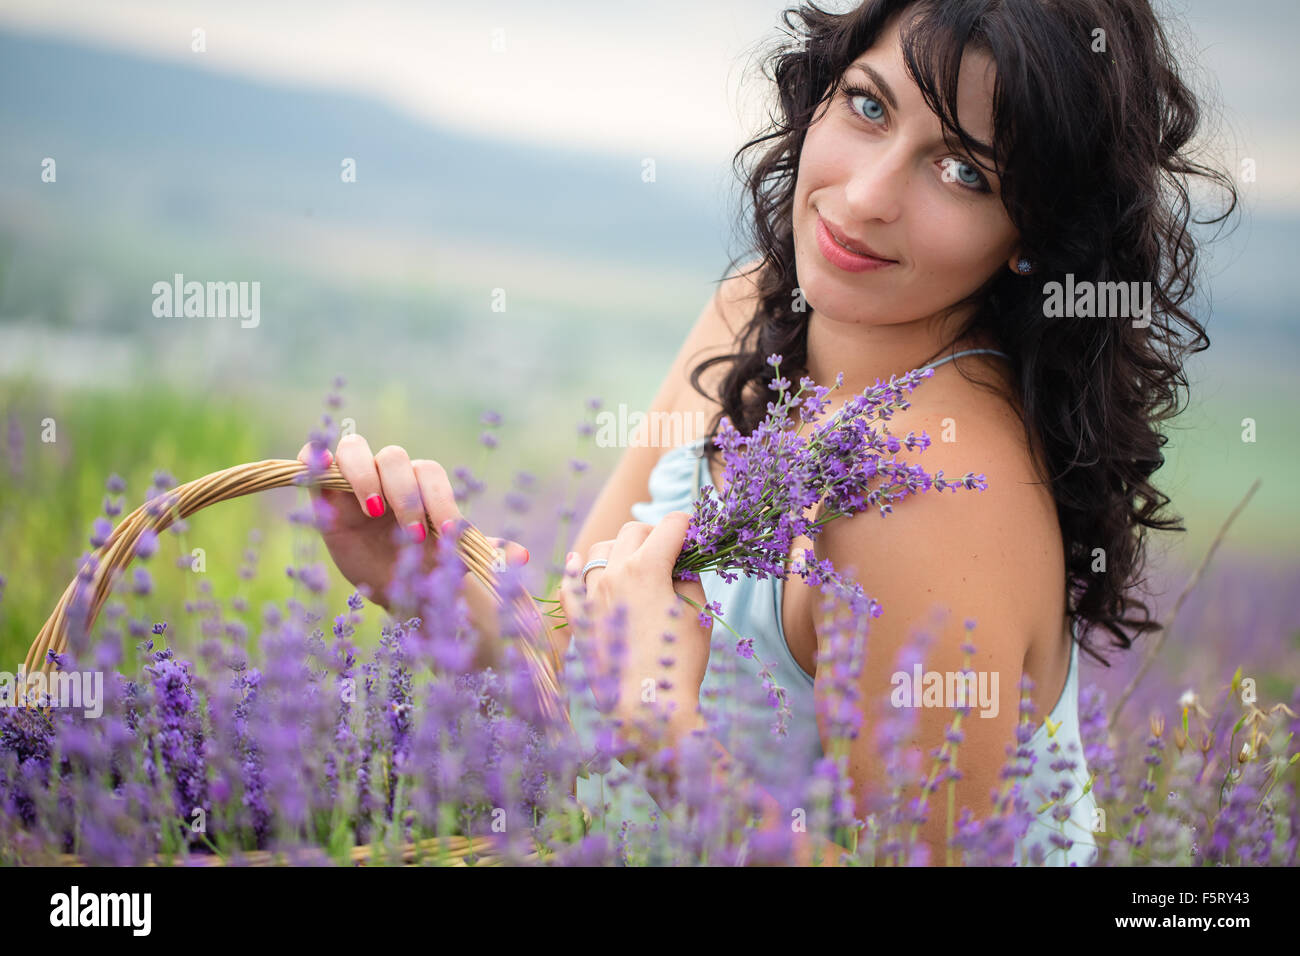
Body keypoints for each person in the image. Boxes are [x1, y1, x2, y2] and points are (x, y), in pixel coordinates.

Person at [300, 0, 1238, 865]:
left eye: (964, 170)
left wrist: (670, 740)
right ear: (819, 92)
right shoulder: (753, 308)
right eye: (869, 106)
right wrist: (420, 583)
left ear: (1033, 232)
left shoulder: (921, 485)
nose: (868, 195)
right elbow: (586, 666)